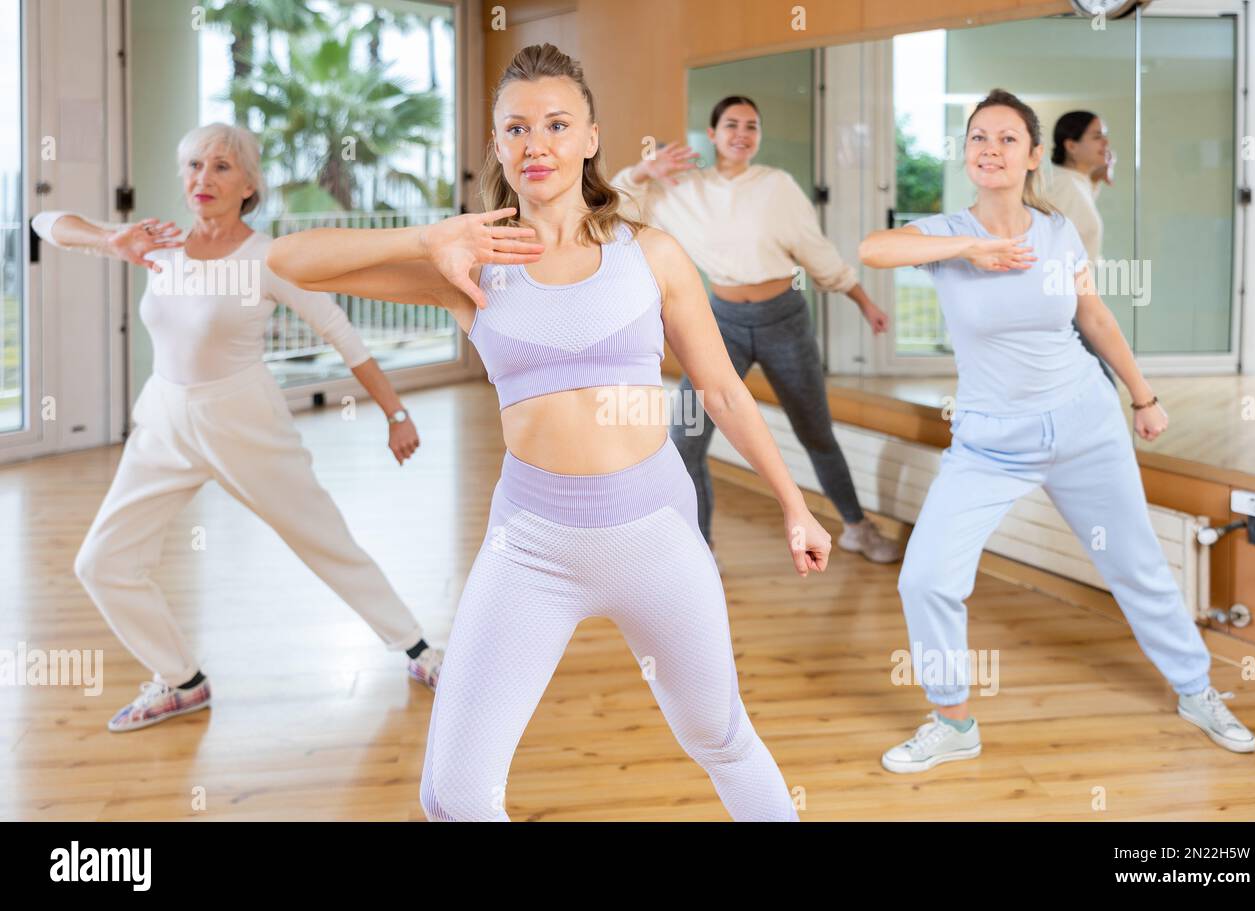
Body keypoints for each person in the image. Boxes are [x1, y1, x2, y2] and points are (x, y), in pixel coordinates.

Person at [267, 43, 832, 821]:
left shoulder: (651, 252)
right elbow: (289, 258)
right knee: (456, 791)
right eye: (516, 129)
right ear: (497, 145)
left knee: (721, 736)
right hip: (532, 544)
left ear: (591, 137)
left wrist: (793, 503)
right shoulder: (471, 269)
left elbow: (724, 392)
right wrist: (426, 238)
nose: (536, 145)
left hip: (658, 534)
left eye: (557, 124)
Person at [858, 89, 1255, 773]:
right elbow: (872, 248)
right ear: (966, 153)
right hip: (988, 441)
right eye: (978, 137)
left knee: (1136, 565)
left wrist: (1143, 395)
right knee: (925, 575)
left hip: (1083, 423)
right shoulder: (944, 235)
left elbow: (1093, 317)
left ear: (1034, 155)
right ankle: (952, 719)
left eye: (1008, 138)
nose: (990, 148)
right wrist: (970, 247)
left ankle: (1197, 689)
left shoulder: (1056, 230)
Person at [34, 123, 443, 733]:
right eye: (195, 164)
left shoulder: (266, 259)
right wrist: (110, 238)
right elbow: (47, 223)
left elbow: (339, 330)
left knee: (321, 538)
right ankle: (180, 681)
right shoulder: (156, 245)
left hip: (244, 422)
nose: (204, 177)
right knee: (102, 561)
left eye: (223, 167)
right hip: (165, 421)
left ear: (250, 184)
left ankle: (418, 650)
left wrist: (397, 413)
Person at [609, 97, 900, 567]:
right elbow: (615, 208)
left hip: (784, 319)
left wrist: (862, 300)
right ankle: (700, 547)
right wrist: (644, 171)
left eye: (751, 126)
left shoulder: (777, 186)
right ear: (713, 131)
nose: (742, 133)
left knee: (815, 431)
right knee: (687, 437)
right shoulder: (681, 189)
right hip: (719, 321)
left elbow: (815, 249)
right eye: (731, 124)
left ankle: (856, 528)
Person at [1044, 109, 1116, 385]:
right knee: (1102, 382)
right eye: (1097, 136)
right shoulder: (1066, 186)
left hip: (1071, 300)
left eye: (1106, 136)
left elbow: (1078, 223)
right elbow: (1055, 243)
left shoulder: (1073, 182)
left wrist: (1097, 177)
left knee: (1094, 383)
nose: (1106, 144)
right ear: (1071, 146)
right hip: (1065, 302)